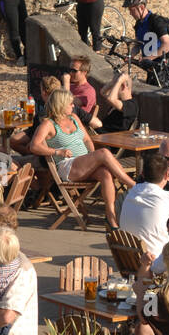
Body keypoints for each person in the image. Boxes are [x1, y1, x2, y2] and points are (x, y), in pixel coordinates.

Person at [30, 89, 135, 231]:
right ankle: (133, 186)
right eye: (70, 103)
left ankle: (111, 218)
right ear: (61, 105)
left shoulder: (74, 118)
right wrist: (56, 151)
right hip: (67, 167)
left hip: (83, 163)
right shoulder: (48, 124)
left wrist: (93, 157)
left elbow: (87, 139)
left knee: (105, 173)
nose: (73, 106)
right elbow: (34, 146)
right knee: (103, 152)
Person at [118, 145, 169, 255]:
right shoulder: (167, 199)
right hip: (158, 261)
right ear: (167, 175)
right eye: (168, 159)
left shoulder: (131, 193)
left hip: (130, 258)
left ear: (142, 174)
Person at [122, 0, 169, 70]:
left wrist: (149, 58)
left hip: (163, 65)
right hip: (151, 66)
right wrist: (131, 55)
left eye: (132, 10)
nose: (130, 13)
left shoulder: (156, 21)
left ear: (142, 7)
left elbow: (168, 45)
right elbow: (138, 44)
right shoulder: (139, 24)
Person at [61, 56, 100, 130]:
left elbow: (67, 104)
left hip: (75, 125)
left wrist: (66, 83)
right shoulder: (71, 86)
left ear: (84, 72)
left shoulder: (88, 91)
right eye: (70, 70)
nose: (70, 73)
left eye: (74, 71)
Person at [98, 69, 138, 134]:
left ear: (123, 87)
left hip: (110, 137)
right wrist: (113, 82)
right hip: (101, 132)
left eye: (114, 86)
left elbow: (111, 99)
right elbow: (103, 92)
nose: (112, 88)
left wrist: (119, 81)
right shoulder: (118, 101)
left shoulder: (131, 105)